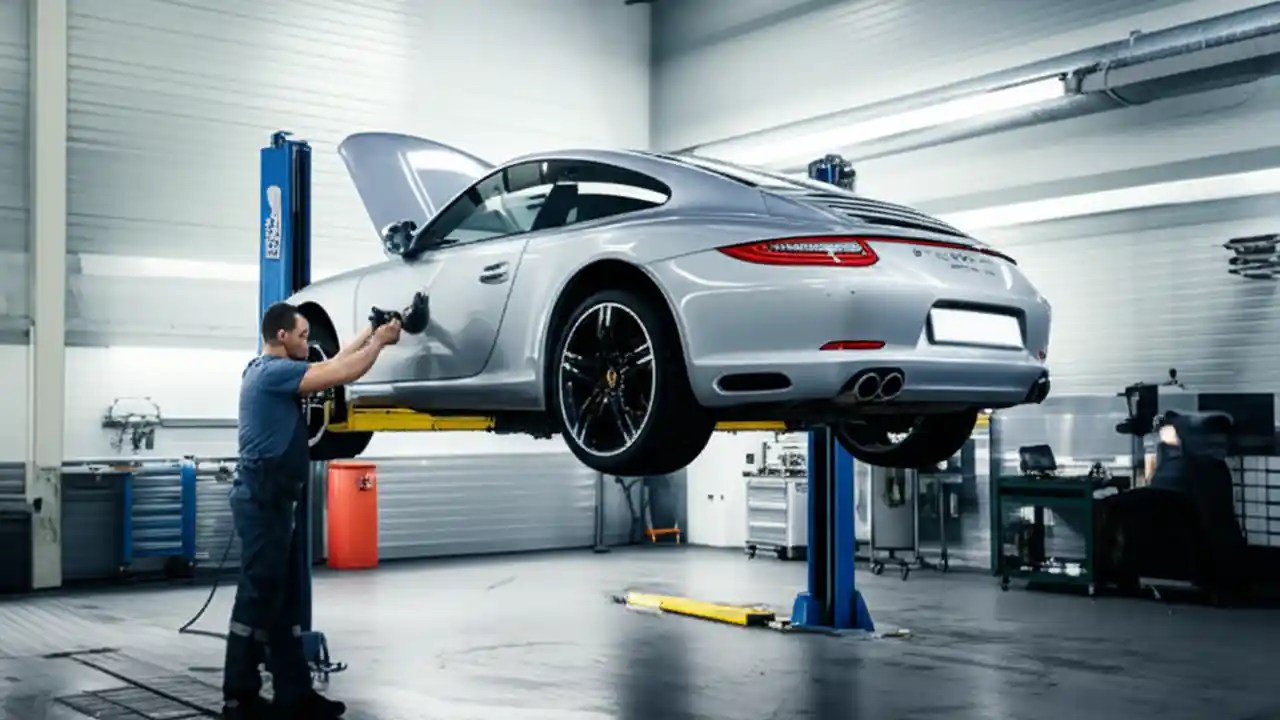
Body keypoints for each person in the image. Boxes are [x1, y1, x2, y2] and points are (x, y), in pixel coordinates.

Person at [222, 302, 402, 719]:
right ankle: (239, 698)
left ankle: (294, 694)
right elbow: (343, 373)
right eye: (303, 336)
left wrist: (369, 331)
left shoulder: (269, 371)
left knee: (281, 602)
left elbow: (335, 361)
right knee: (256, 598)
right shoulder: (273, 373)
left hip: (274, 500)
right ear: (281, 337)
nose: (309, 342)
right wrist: (381, 343)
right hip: (263, 500)